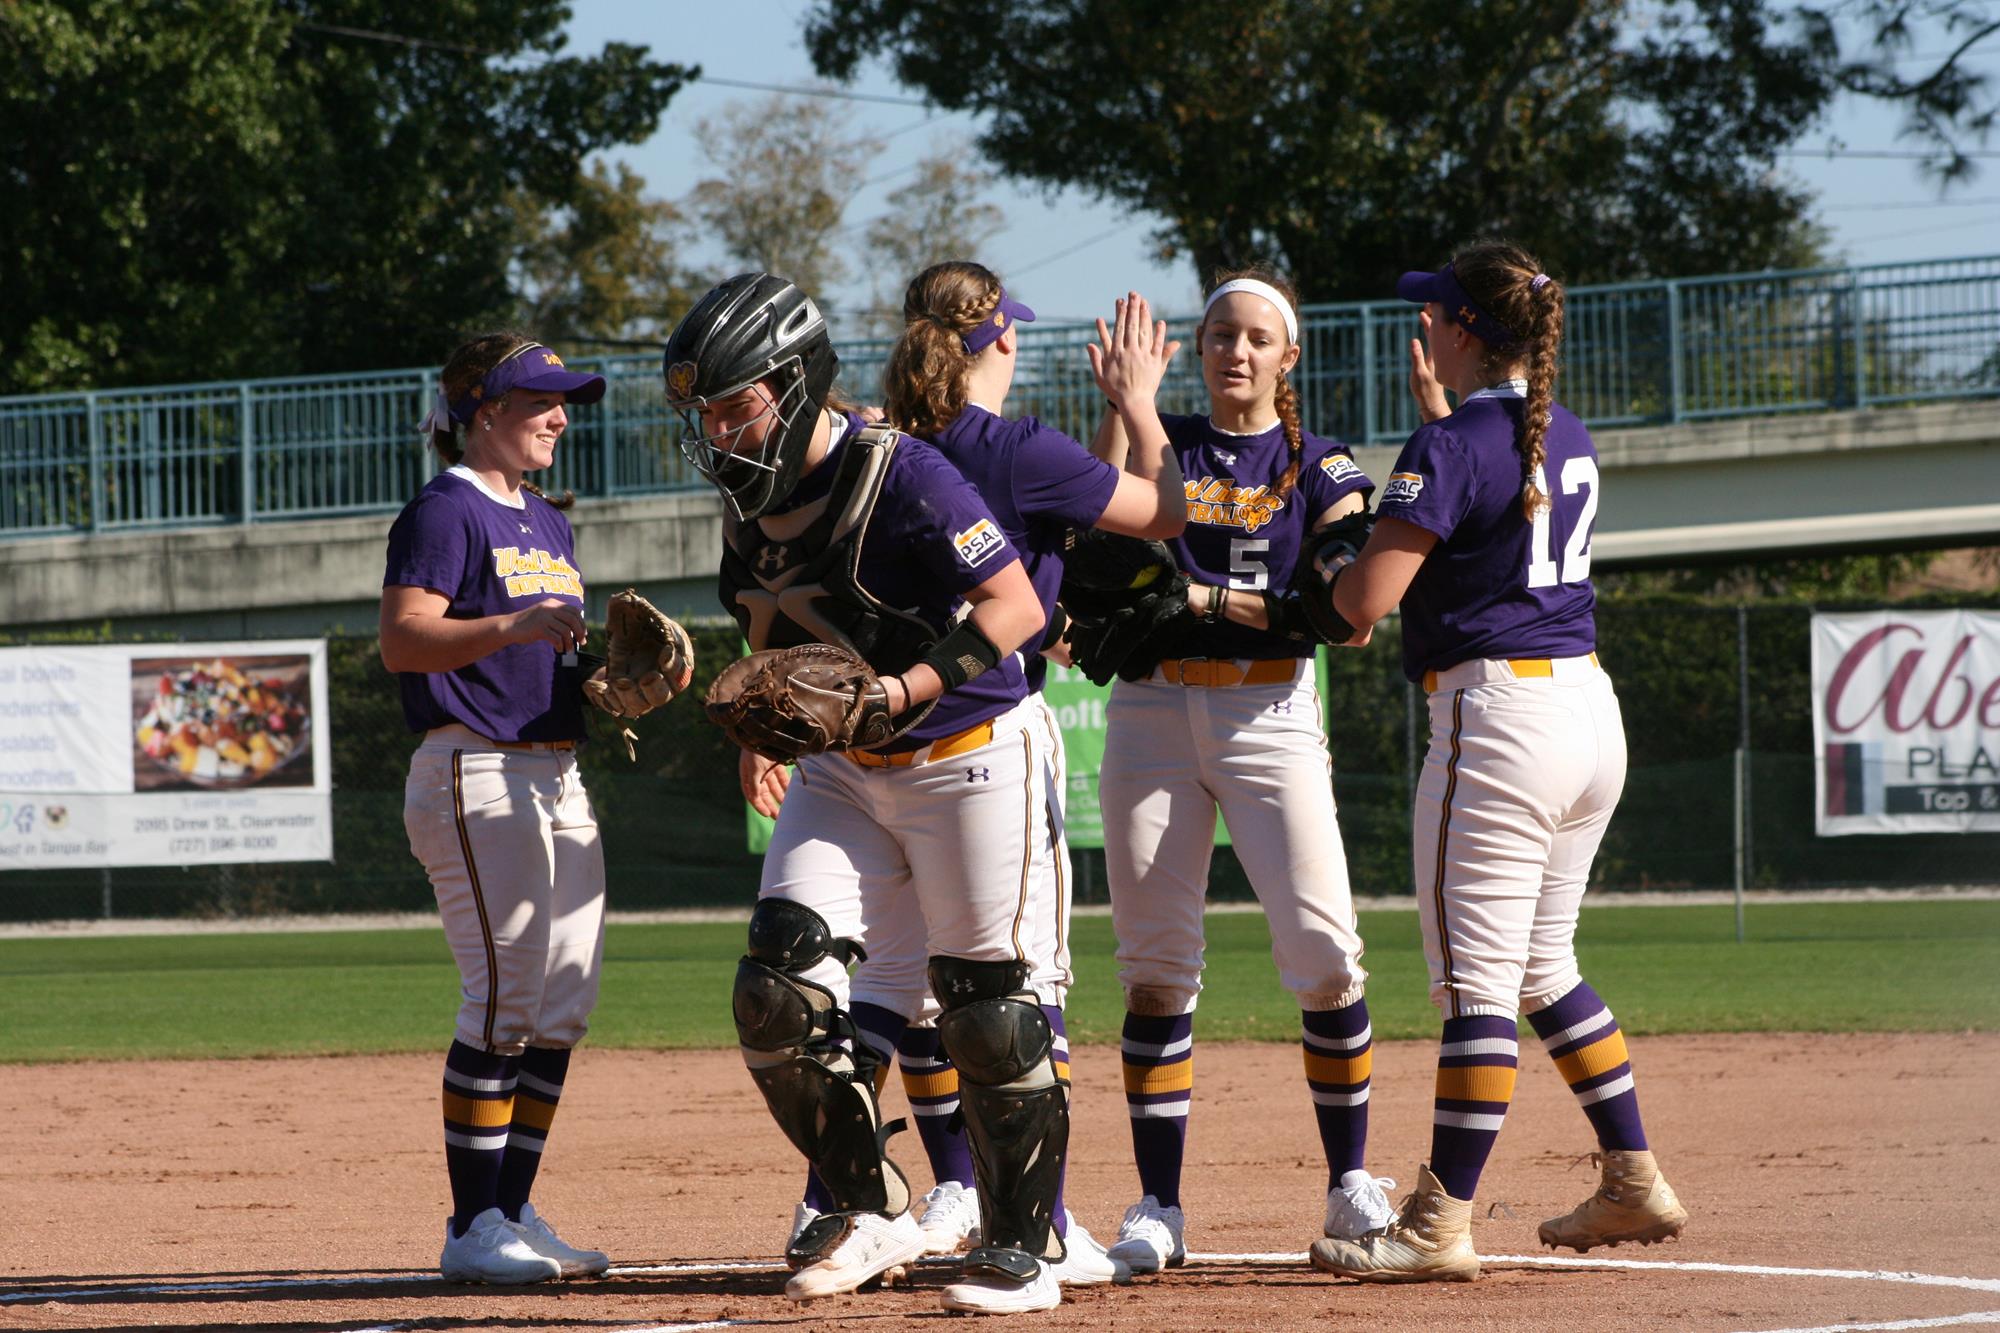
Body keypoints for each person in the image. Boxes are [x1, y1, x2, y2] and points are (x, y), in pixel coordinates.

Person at [663, 272, 1074, 1316]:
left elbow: (1016, 604)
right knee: (775, 996)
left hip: (969, 748)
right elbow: (769, 630)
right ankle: (865, 1208)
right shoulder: (747, 503)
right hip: (844, 772)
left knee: (987, 1010)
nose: (716, 429)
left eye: (734, 402)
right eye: (703, 411)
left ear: (795, 384)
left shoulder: (905, 475)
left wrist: (905, 688)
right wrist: (750, 732)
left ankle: (1023, 1247)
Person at [1307, 241, 1688, 1284]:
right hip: (1583, 710)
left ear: (1465, 330)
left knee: (1474, 989)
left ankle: (1438, 1223)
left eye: (1433, 312)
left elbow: (1361, 608)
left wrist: (1332, 541)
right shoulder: (1559, 428)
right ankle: (1631, 1176)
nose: (1420, 325)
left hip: (1497, 720)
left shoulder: (1455, 442)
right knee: (1541, 967)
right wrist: (1432, 435)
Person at [875, 260, 1190, 1282]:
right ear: (996, 340)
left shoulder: (884, 447)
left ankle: (919, 1193)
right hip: (990, 734)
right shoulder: (1011, 445)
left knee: (916, 987)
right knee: (1023, 983)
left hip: (885, 743)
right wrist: (1140, 408)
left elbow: (1065, 514)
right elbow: (1165, 513)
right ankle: (1042, 1217)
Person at [1082, 267, 1393, 1274]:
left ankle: (1348, 1182)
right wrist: (1124, 410)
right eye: (1220, 333)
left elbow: (1333, 605)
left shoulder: (1321, 461)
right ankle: (1158, 1204)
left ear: (1286, 356)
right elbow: (1088, 544)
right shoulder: (1156, 434)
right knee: (1154, 965)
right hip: (1150, 710)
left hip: (1267, 708)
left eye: (1257, 337)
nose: (1236, 350)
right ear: (1198, 347)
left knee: (1323, 949)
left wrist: (1206, 601)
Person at [382, 334, 625, 1285]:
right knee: (503, 996)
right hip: (474, 769)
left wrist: (613, 683)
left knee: (562, 1000)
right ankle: (471, 1222)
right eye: (540, 400)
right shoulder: (448, 509)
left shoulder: (548, 521)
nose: (561, 415)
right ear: (485, 408)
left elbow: (549, 653)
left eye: (564, 400)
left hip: (556, 773)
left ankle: (514, 1209)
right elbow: (405, 639)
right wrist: (517, 623)